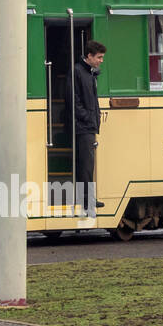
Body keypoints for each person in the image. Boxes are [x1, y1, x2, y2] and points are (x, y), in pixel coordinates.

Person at [70, 40, 107, 215]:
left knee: (88, 163)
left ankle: (87, 198)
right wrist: (88, 118)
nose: (101, 60)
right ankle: (86, 199)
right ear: (89, 56)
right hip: (84, 126)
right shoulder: (78, 72)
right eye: (99, 57)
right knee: (86, 164)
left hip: (87, 124)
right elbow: (73, 100)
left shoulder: (86, 73)